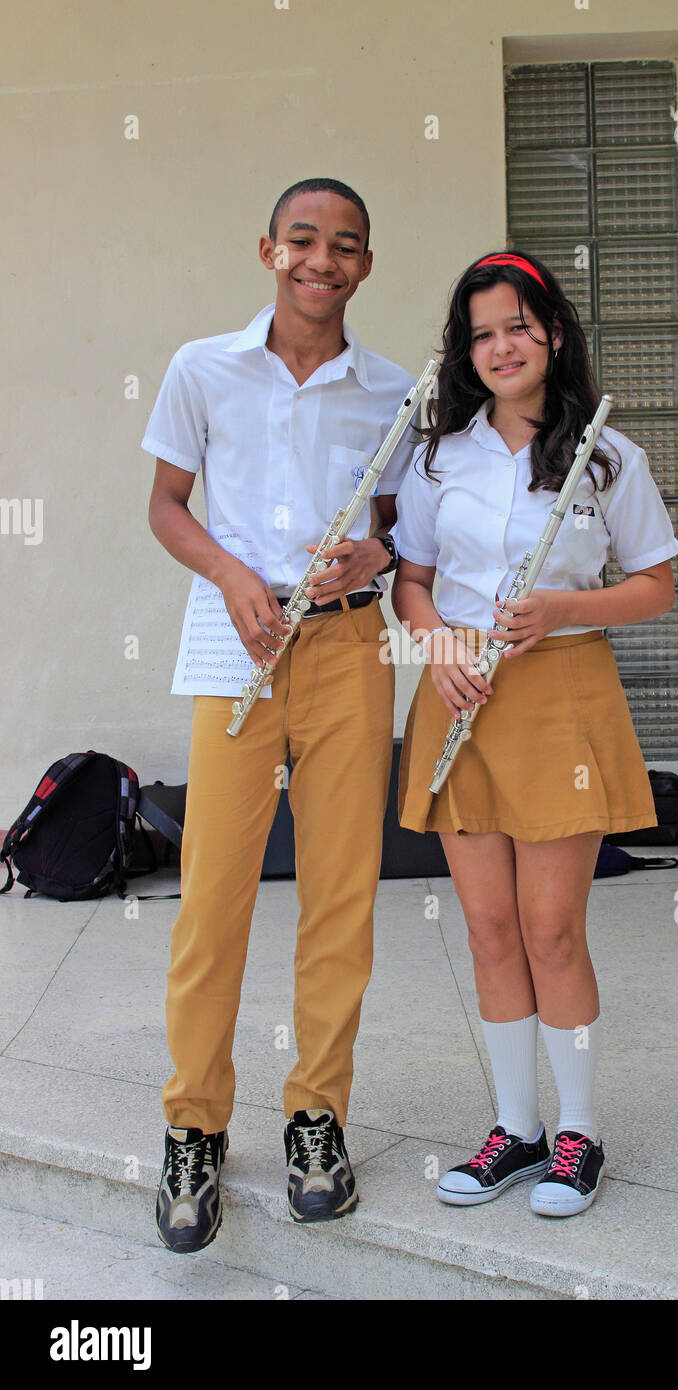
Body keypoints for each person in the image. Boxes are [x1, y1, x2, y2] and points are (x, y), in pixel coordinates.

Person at [142, 178, 417, 1249]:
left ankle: (315, 1116)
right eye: (303, 239)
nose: (321, 260)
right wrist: (227, 574)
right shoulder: (199, 367)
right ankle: (193, 1125)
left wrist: (376, 553)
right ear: (268, 249)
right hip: (234, 640)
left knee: (340, 894)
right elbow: (166, 504)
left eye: (344, 245)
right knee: (212, 895)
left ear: (362, 264)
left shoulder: (390, 386)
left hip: (348, 644)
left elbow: (402, 529)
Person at [391, 250, 678, 1218]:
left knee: (552, 927)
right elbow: (411, 579)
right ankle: (514, 1129)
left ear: (551, 332)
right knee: (486, 927)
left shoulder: (607, 457)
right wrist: (434, 648)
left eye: (516, 324)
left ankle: (577, 1131)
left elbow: (654, 584)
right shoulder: (438, 455)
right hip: (460, 692)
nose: (499, 345)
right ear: (464, 352)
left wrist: (560, 606)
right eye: (480, 333)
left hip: (559, 688)